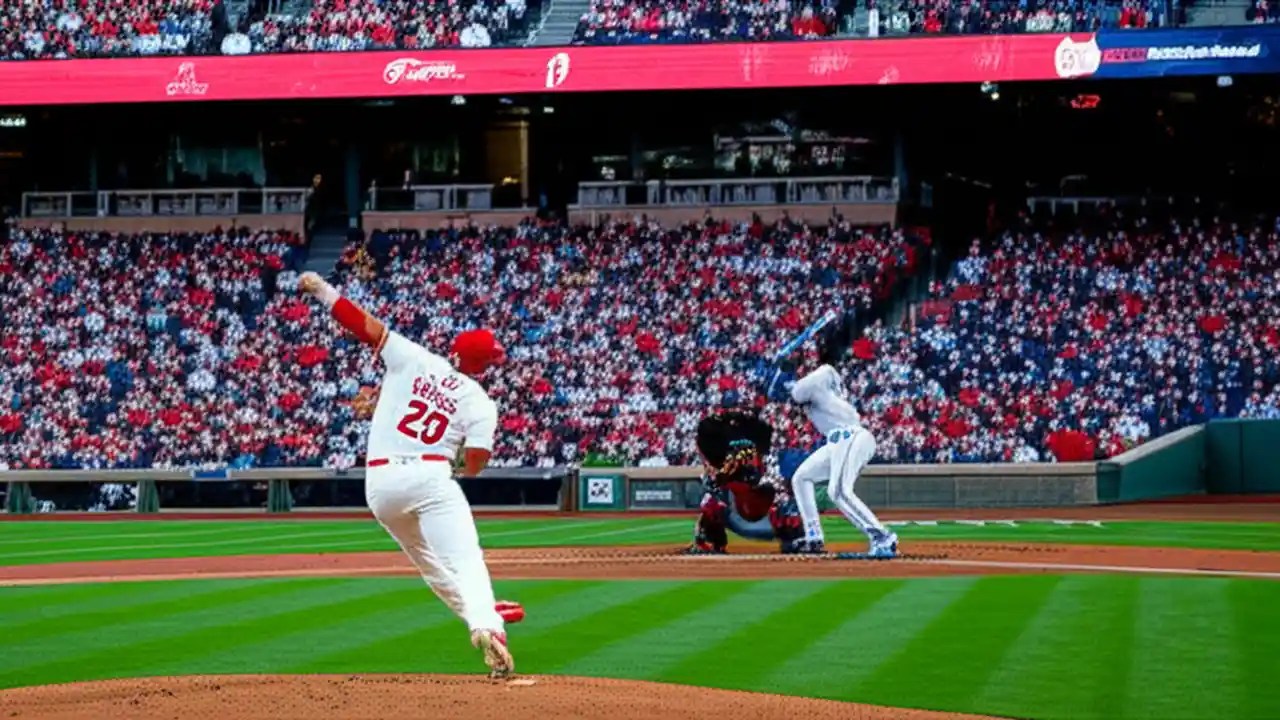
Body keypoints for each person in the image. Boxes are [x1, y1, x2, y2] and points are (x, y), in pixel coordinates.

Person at [297, 270, 522, 678]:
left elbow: (363, 324)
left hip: (380, 488)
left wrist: (322, 291)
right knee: (465, 559)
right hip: (430, 478)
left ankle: (483, 613)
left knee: (430, 565)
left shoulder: (414, 357)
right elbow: (476, 460)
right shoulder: (480, 400)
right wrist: (459, 465)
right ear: (484, 364)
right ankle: (487, 623)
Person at [784, 314, 897, 557]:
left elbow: (794, 391)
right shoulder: (814, 383)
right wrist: (784, 369)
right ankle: (814, 536)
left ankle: (882, 536)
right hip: (837, 442)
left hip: (851, 436)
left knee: (839, 491)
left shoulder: (822, 374)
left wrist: (784, 363)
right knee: (801, 478)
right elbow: (784, 393)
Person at [685, 408, 806, 554]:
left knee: (785, 499)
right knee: (711, 501)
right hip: (739, 517)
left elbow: (775, 481)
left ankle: (795, 541)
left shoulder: (765, 458)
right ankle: (711, 544)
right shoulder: (722, 467)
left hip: (766, 520)